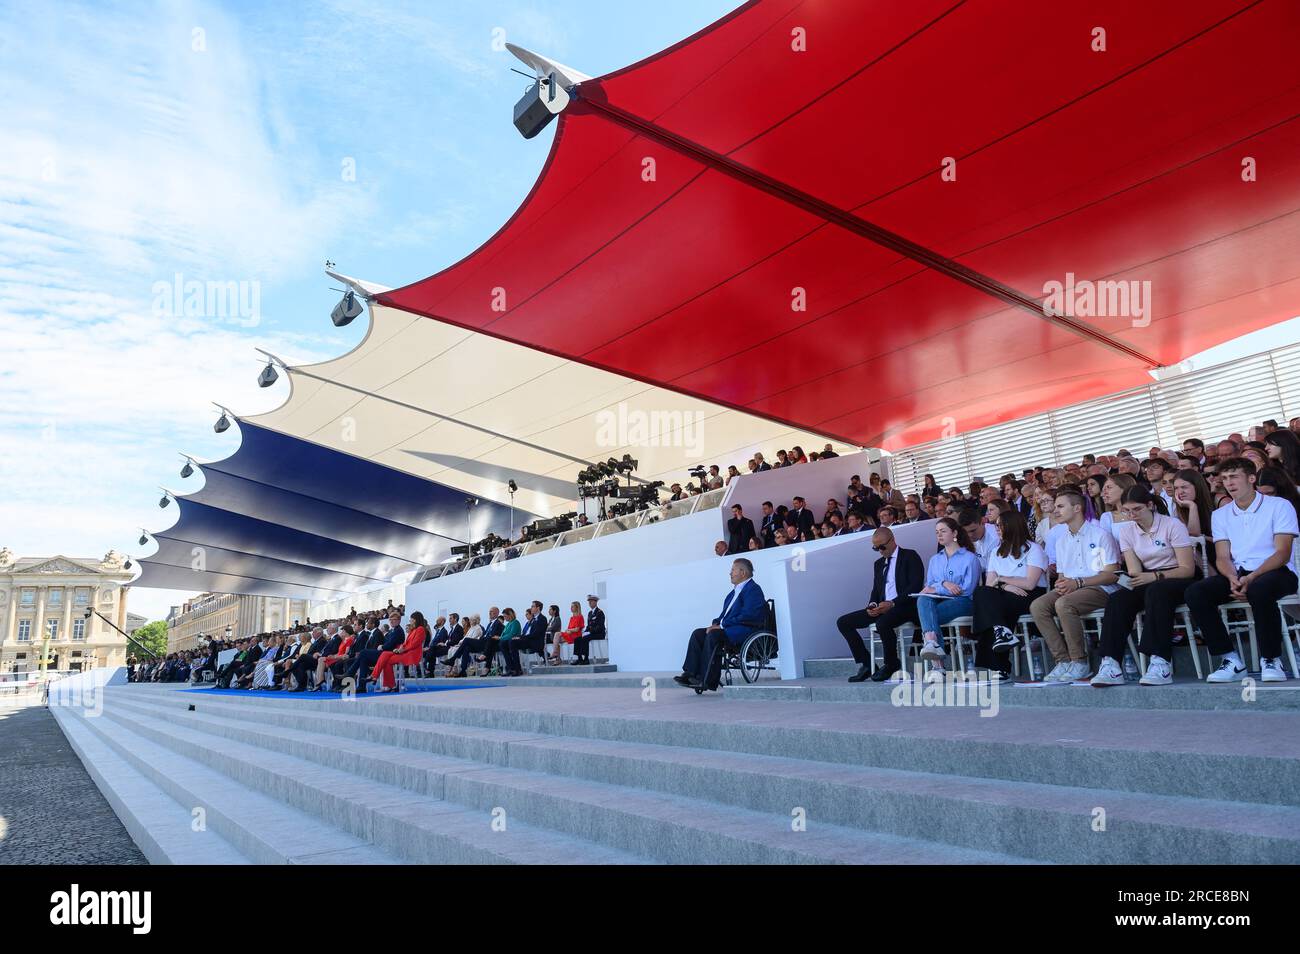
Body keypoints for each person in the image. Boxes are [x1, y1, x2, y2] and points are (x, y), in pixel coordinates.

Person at [1185, 458, 1300, 683]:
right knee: (1196, 593)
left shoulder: (1279, 505)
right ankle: (1230, 660)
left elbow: (1282, 553)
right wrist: (1231, 578)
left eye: (1234, 476)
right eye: (1225, 478)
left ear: (1251, 478)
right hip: (1238, 572)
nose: (1229, 483)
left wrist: (1252, 576)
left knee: (1260, 589)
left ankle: (1271, 659)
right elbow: (1222, 556)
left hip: (1278, 572)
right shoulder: (1221, 514)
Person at [1090, 486, 1199, 687]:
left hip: (1178, 577)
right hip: (1149, 578)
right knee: (1118, 598)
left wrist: (1156, 576)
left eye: (1137, 509)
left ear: (1150, 505)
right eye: (1127, 511)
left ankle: (1160, 661)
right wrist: (1134, 580)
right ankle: (1110, 663)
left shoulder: (1172, 525)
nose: (1132, 515)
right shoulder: (1127, 531)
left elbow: (1187, 569)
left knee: (1157, 591)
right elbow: (1133, 570)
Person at [1031, 488, 1121, 683]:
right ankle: (1063, 661)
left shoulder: (1099, 534)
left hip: (1099, 588)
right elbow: (1063, 575)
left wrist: (1078, 583)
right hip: (1073, 587)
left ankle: (1080, 662)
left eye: (1061, 506)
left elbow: (1111, 575)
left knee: (1064, 604)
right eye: (1055, 507)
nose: (1055, 511)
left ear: (1077, 508)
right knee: (1038, 606)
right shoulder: (1062, 540)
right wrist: (1063, 584)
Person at [835, 528, 924, 682]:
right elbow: (876, 589)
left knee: (883, 623)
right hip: (883, 607)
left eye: (882, 546)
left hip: (905, 606)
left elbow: (915, 586)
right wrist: (872, 604)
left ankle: (891, 663)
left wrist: (893, 603)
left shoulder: (910, 556)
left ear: (892, 540)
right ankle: (867, 664)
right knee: (843, 622)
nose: (880, 551)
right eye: (876, 548)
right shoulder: (878, 564)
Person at [971, 510, 1048, 682]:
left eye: (1000, 525)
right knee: (982, 593)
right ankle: (1001, 630)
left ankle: (1000, 666)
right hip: (1004, 593)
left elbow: (1030, 583)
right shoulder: (996, 551)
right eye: (996, 525)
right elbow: (990, 584)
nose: (996, 528)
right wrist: (1006, 585)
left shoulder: (1033, 549)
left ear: (1012, 526)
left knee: (991, 607)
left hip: (1030, 594)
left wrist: (1002, 580)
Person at [673, 559, 767, 691]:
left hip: (744, 629)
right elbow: (724, 615)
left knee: (713, 635)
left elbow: (749, 615)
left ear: (743, 572)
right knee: (698, 633)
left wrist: (722, 625)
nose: (730, 573)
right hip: (729, 627)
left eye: (733, 570)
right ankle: (690, 673)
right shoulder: (733, 593)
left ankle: (706, 680)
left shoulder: (753, 590)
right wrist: (716, 623)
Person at [915, 518, 981, 680]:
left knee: (928, 615)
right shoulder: (935, 559)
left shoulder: (970, 558)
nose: (939, 535)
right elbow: (928, 586)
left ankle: (938, 666)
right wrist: (945, 583)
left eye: (943, 531)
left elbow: (966, 590)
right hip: (939, 601)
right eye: (937, 532)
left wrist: (940, 587)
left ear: (955, 533)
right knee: (923, 599)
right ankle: (932, 643)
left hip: (964, 602)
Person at [371, 611, 427, 691]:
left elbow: (414, 644)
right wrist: (400, 648)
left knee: (386, 659)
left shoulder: (420, 629)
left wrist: (402, 649)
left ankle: (386, 683)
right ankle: (378, 678)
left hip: (412, 654)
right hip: (406, 652)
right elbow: (405, 643)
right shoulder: (413, 630)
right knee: (385, 654)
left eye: (411, 619)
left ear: (415, 620)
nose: (410, 620)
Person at [548, 601, 584, 665]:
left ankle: (555, 654)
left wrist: (569, 630)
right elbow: (569, 628)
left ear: (577, 607)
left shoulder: (580, 617)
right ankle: (557, 658)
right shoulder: (571, 618)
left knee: (557, 634)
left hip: (576, 635)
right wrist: (568, 630)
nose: (571, 608)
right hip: (569, 634)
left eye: (572, 606)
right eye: (571, 606)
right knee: (557, 640)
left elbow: (577, 629)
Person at [573, 595, 605, 665]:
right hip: (591, 633)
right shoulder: (590, 613)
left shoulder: (600, 612)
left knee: (585, 638)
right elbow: (588, 625)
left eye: (591, 601)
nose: (590, 603)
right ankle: (579, 658)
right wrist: (585, 632)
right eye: (589, 602)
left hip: (599, 633)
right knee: (577, 639)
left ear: (596, 602)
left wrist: (589, 632)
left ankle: (586, 659)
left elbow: (599, 626)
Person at [495, 608, 523, 677]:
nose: (504, 618)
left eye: (505, 616)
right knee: (502, 644)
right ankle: (510, 668)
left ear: (509, 615)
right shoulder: (508, 624)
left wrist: (500, 638)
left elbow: (511, 634)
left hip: (515, 642)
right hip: (507, 643)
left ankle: (517, 669)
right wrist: (500, 638)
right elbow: (503, 634)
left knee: (507, 644)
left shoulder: (515, 622)